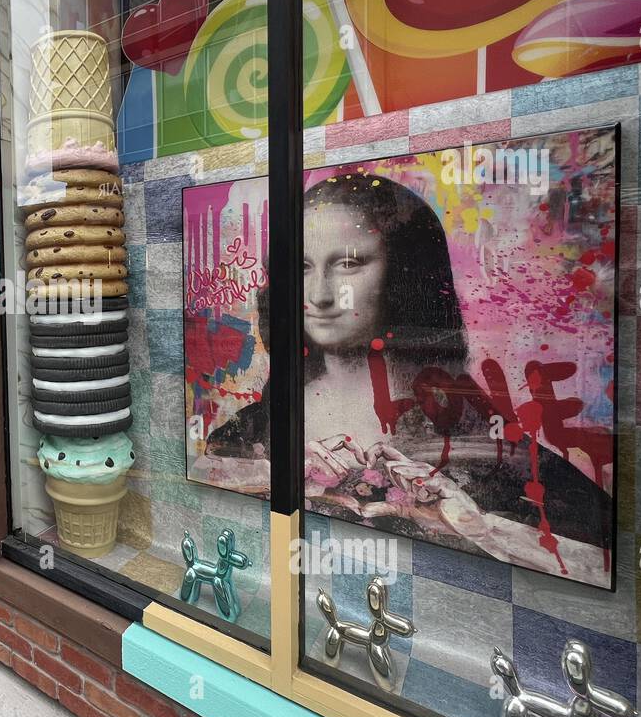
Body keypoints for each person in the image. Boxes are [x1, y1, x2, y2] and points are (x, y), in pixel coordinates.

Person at [205, 172, 611, 559]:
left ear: (403, 272)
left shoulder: (483, 442)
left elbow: (597, 546)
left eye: (349, 263)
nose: (320, 295)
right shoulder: (251, 430)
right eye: (302, 268)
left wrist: (479, 528)